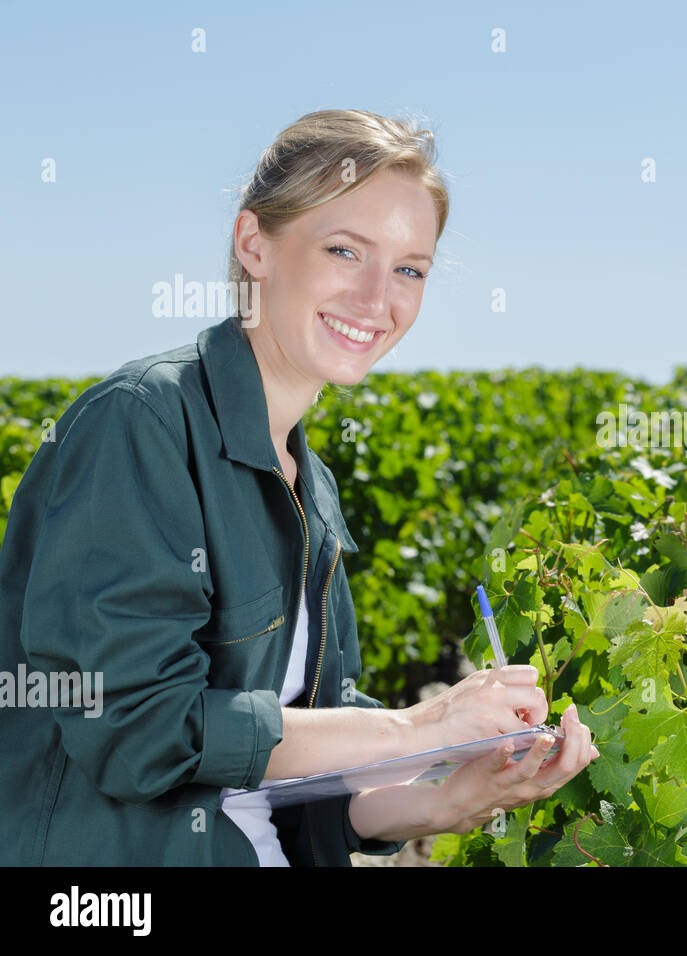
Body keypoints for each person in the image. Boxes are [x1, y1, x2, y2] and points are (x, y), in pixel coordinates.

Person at [0, 109, 597, 866]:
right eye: (345, 250)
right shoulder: (143, 422)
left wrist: (453, 796)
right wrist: (420, 727)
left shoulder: (310, 487)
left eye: (410, 269)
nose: (379, 297)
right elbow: (138, 730)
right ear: (256, 244)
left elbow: (292, 783)